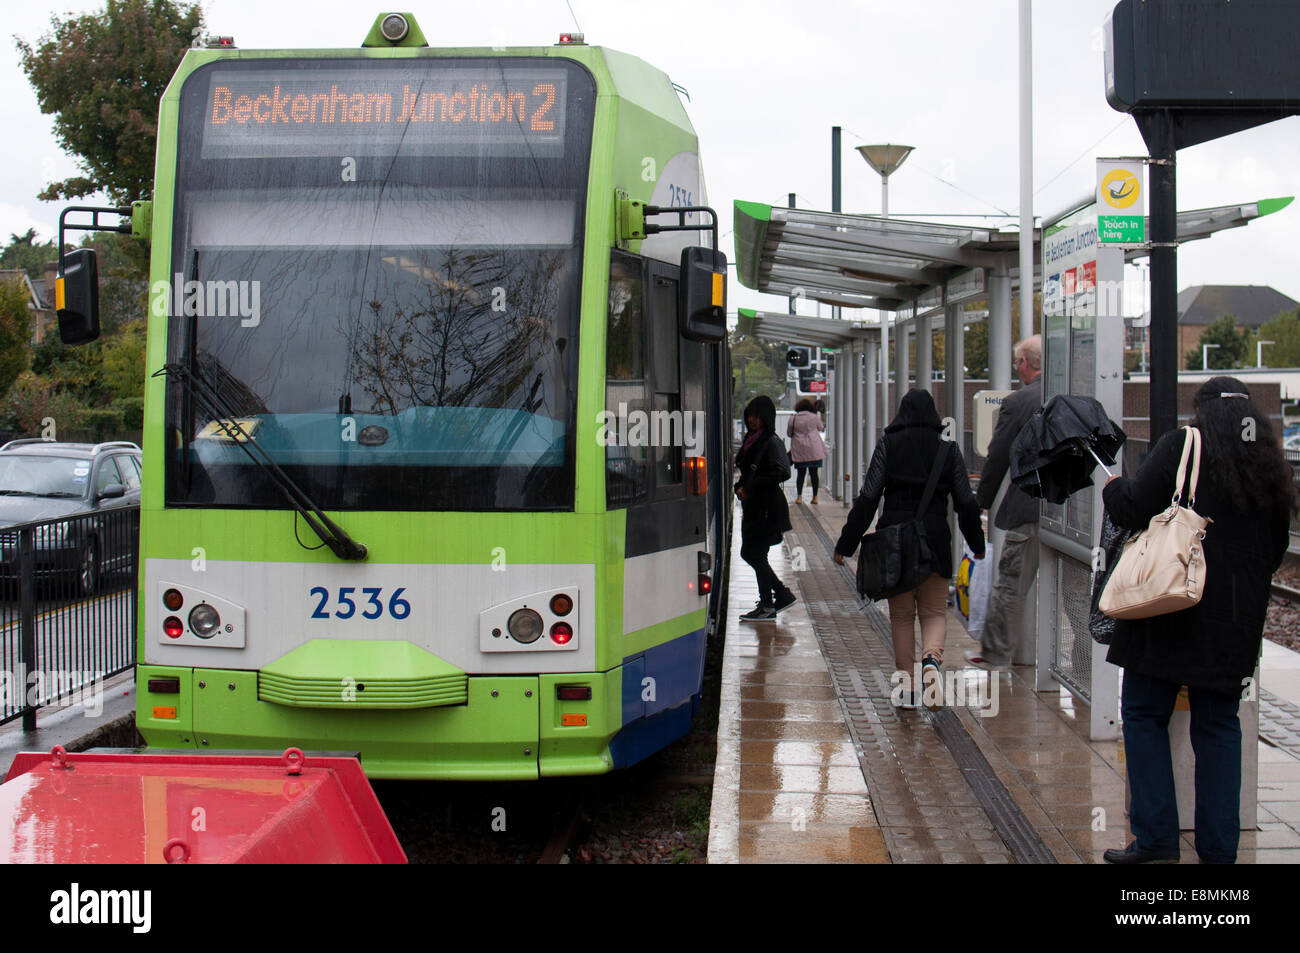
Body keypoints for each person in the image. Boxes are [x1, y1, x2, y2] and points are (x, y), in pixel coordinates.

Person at [1100, 378, 1296, 865]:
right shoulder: (1270, 465)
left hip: (1169, 607)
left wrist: (1112, 486)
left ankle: (1157, 840)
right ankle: (1218, 853)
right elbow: (1274, 549)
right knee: (1219, 727)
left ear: (1202, 410)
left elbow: (1131, 506)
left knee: (1144, 715)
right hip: (1233, 620)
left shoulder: (1183, 444)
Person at [833, 389, 985, 708]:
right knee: (932, 612)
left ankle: (907, 686)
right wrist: (977, 544)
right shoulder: (948, 450)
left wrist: (846, 544)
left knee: (902, 617)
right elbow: (966, 503)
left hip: (895, 545)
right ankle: (931, 659)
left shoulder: (888, 445)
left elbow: (869, 498)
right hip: (934, 542)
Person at [968, 334, 1042, 672]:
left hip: (1028, 506)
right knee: (1074, 591)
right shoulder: (1071, 394)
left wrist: (981, 501)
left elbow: (998, 456)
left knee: (1011, 584)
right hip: (1071, 514)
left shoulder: (1019, 402)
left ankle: (996, 655)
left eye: (1018, 363)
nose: (1018, 370)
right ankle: (1083, 665)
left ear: (1026, 363)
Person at [736, 395, 797, 621]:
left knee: (754, 553)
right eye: (750, 415)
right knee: (753, 553)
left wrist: (751, 486)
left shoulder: (771, 441)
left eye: (757, 416)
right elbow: (749, 472)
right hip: (755, 506)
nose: (752, 420)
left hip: (767, 507)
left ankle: (769, 603)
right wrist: (741, 486)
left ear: (766, 417)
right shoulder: (753, 439)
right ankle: (777, 596)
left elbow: (783, 471)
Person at [787, 397, 828, 503]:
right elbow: (820, 427)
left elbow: (789, 434)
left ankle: (799, 497)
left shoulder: (793, 418)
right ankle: (815, 497)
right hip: (814, 448)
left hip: (799, 449)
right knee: (814, 473)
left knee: (801, 473)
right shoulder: (814, 417)